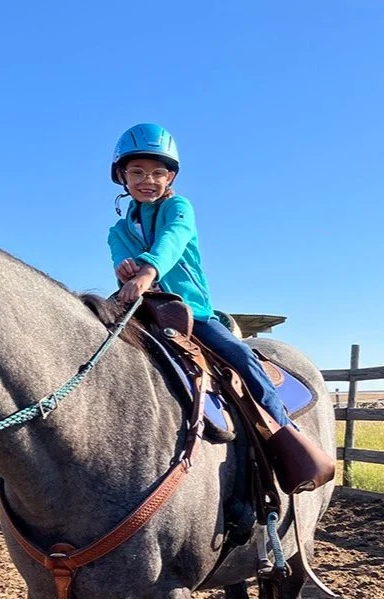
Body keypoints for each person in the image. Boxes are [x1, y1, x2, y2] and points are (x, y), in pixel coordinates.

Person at [108, 123, 334, 494]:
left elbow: (172, 240)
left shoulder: (178, 207)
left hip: (190, 312)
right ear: (121, 176)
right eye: (137, 172)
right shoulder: (118, 230)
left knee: (240, 357)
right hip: (144, 314)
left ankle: (283, 431)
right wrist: (124, 270)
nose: (148, 180)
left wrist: (147, 271)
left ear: (170, 177)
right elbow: (120, 256)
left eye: (158, 172)